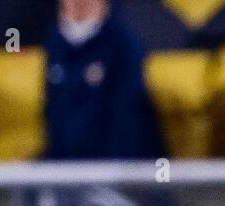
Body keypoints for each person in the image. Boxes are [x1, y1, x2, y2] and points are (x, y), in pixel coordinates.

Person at [44, 0, 163, 160]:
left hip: (116, 167)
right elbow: (53, 120)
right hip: (65, 170)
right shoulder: (54, 44)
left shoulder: (123, 45)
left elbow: (129, 124)